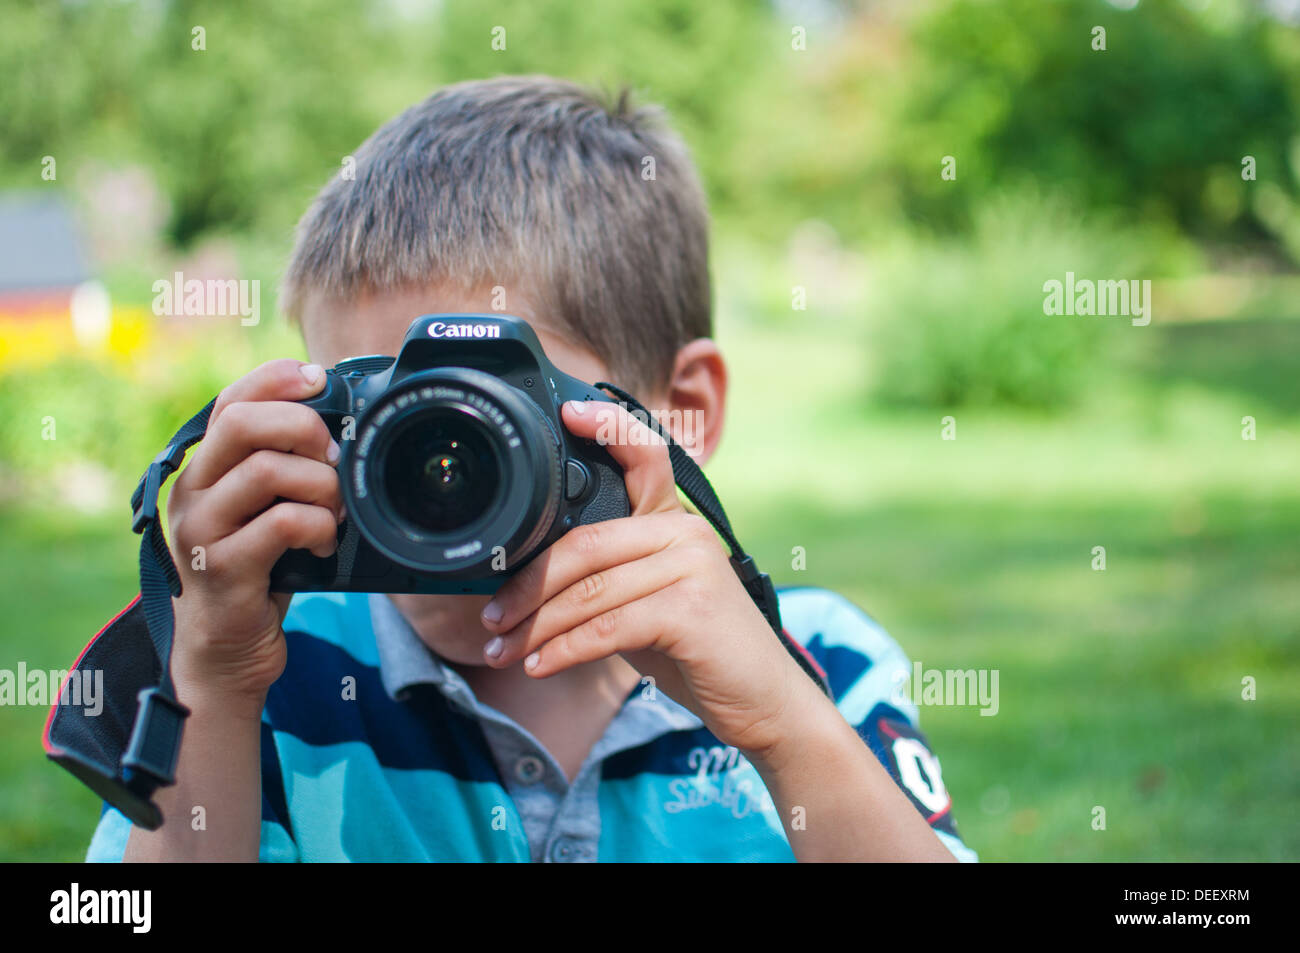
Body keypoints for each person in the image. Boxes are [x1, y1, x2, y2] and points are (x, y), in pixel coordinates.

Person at [87, 76, 976, 862]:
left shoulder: (816, 662)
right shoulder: (275, 684)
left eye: (491, 410)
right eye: (382, 412)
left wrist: (784, 727)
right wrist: (213, 676)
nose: (437, 477)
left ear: (683, 411)